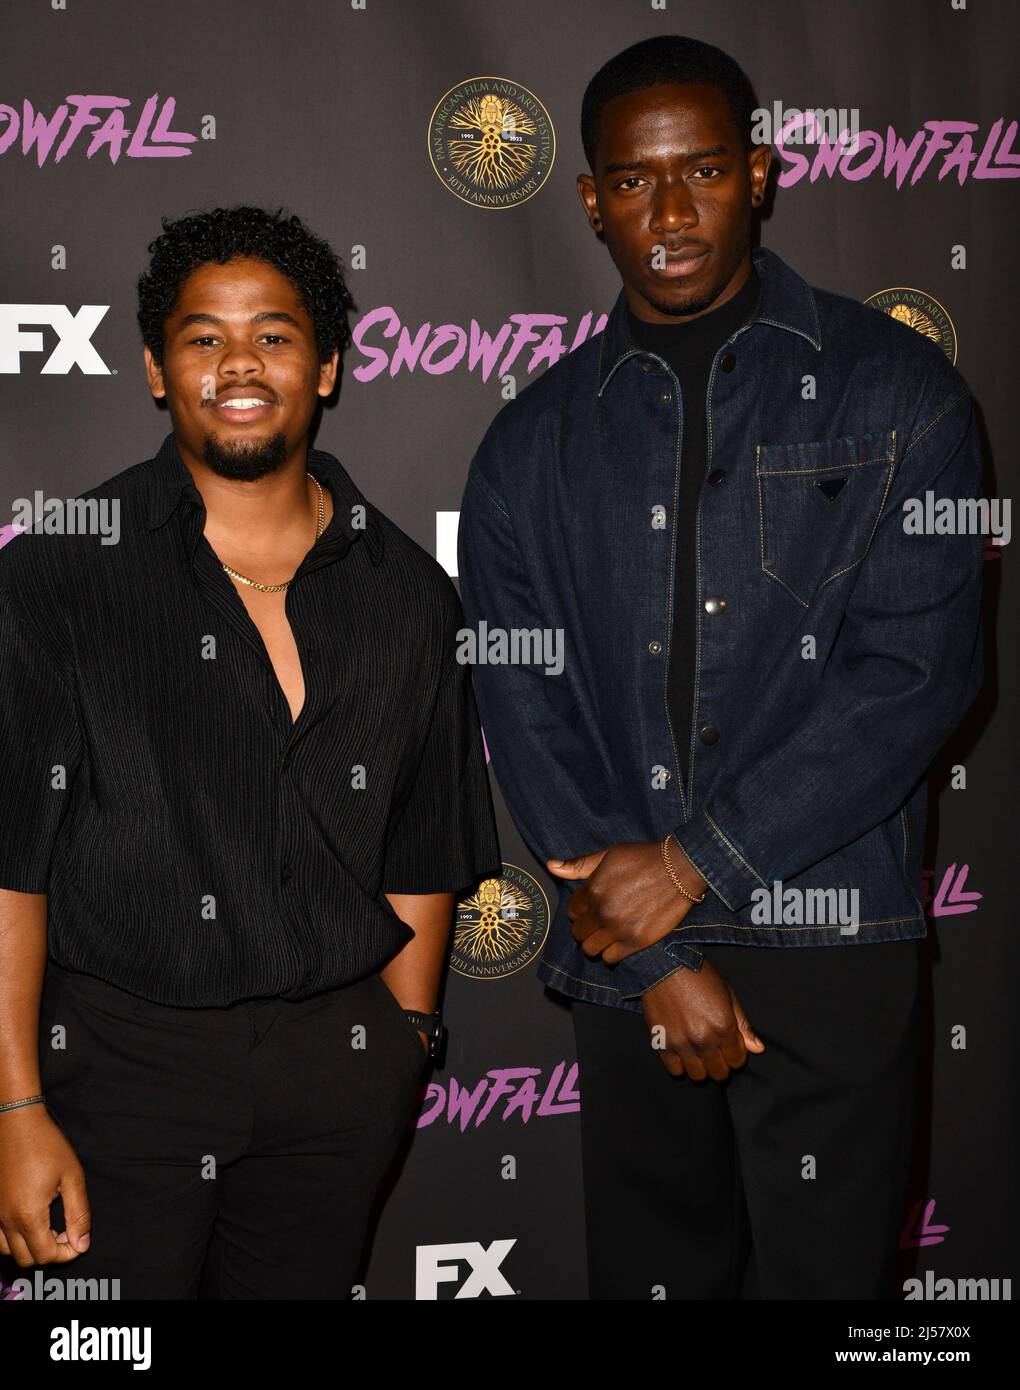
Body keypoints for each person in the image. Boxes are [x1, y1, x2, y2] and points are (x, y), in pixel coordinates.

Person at [457, 36, 984, 1299]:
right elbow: (525, 711)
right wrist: (657, 955)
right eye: (633, 182)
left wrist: (693, 869)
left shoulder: (903, 391)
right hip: (628, 966)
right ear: (589, 199)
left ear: (759, 171)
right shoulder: (529, 444)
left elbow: (918, 676)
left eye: (701, 169)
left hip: (831, 934)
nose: (670, 210)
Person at [0, 205, 500, 1299]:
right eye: (202, 335)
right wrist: (16, 1108)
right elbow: (10, 867)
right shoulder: (60, 577)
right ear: (153, 367)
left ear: (324, 367)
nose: (239, 362)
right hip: (117, 1067)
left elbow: (424, 842)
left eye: (274, 334)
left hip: (338, 1074)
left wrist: (407, 1034)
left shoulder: (411, 596)